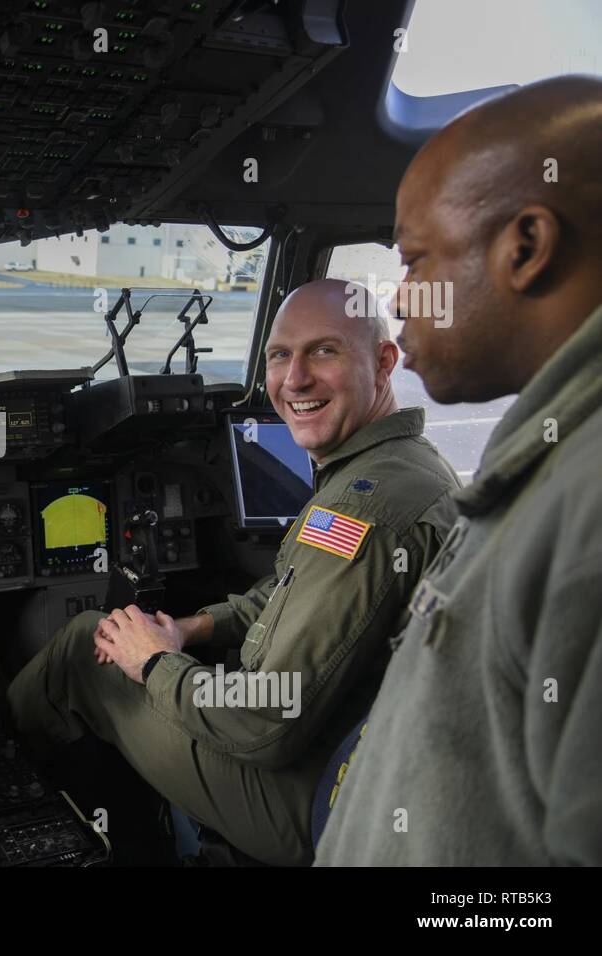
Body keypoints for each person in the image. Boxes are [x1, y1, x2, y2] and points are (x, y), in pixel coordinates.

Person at [8, 279, 461, 865]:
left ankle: (3, 807)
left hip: (322, 806)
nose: (293, 379)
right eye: (279, 355)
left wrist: (151, 662)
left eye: (323, 351)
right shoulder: (406, 467)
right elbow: (284, 595)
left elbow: (264, 724)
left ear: (383, 362)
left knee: (80, 648)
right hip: (375, 767)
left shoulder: (362, 509)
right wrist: (190, 630)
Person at [316, 75, 602, 865]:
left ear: (525, 247)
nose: (401, 300)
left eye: (415, 260)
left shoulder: (587, 508)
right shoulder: (553, 462)